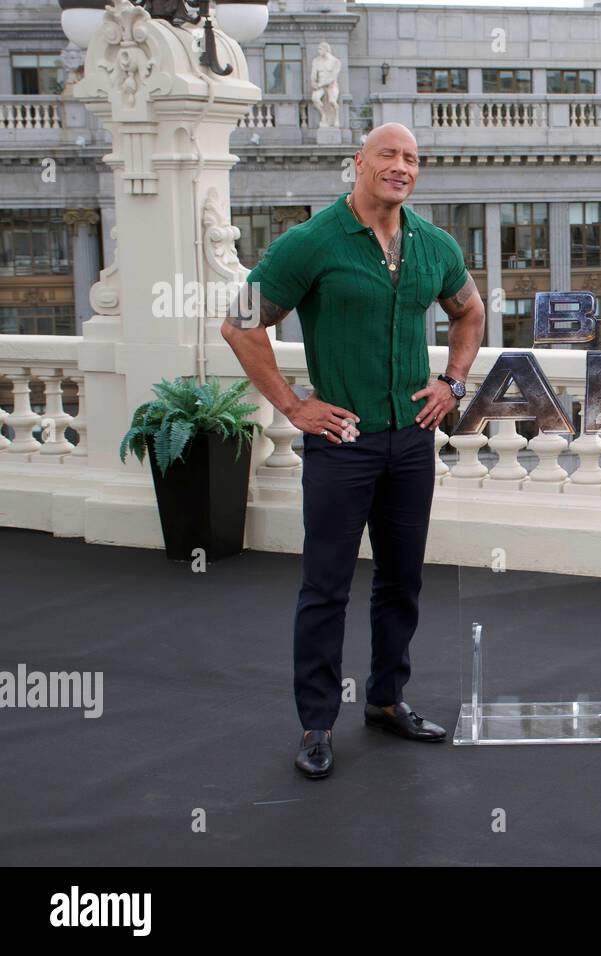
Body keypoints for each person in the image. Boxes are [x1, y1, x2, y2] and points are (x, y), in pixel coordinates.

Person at [222, 123, 485, 778]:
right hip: (341, 441)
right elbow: (240, 322)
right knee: (327, 587)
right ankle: (316, 723)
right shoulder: (311, 243)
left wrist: (452, 382)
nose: (401, 166)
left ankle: (387, 700)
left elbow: (470, 312)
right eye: (388, 155)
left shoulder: (433, 245)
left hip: (411, 441)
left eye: (412, 159)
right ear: (359, 163)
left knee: (402, 580)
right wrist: (292, 404)